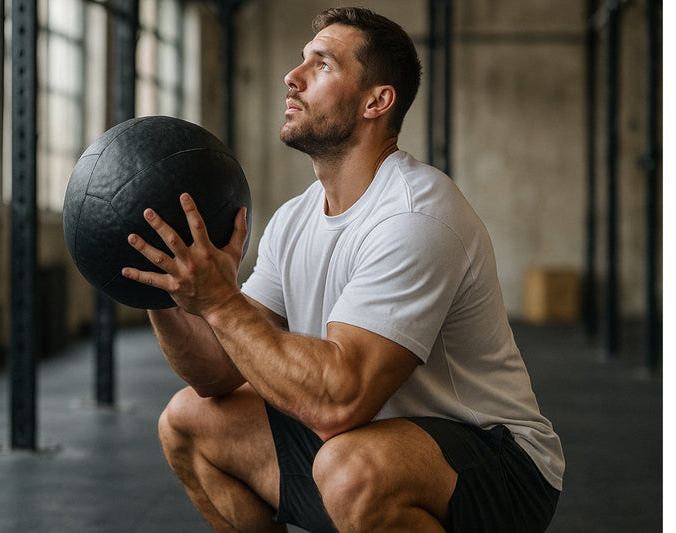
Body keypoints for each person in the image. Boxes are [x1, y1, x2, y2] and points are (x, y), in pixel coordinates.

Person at [119, 6, 564, 533]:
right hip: (361, 443)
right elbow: (215, 370)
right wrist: (168, 283)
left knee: (350, 469)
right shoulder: (295, 218)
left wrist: (220, 301)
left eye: (322, 65)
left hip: (497, 461)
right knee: (188, 421)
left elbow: (340, 400)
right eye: (301, 60)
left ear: (377, 101)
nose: (293, 75)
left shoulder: (415, 215)